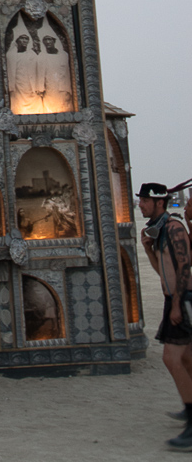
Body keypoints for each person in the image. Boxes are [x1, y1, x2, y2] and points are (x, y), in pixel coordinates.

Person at [138, 181, 192, 450]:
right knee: (187, 359)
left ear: (160, 202)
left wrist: (177, 304)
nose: (140, 205)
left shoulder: (174, 228)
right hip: (174, 299)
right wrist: (148, 249)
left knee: (171, 359)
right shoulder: (160, 231)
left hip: (183, 300)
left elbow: (185, 268)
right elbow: (163, 272)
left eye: (145, 200)